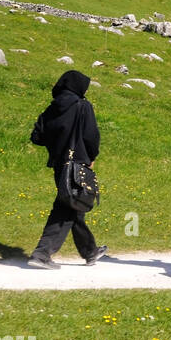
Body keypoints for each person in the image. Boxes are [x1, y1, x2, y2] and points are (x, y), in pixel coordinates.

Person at [27, 70, 107, 269]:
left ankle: (90, 251)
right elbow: (91, 136)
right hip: (78, 164)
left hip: (59, 165)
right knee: (66, 206)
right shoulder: (82, 106)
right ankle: (42, 254)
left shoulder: (52, 108)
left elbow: (37, 137)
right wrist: (91, 157)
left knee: (73, 204)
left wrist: (57, 146)